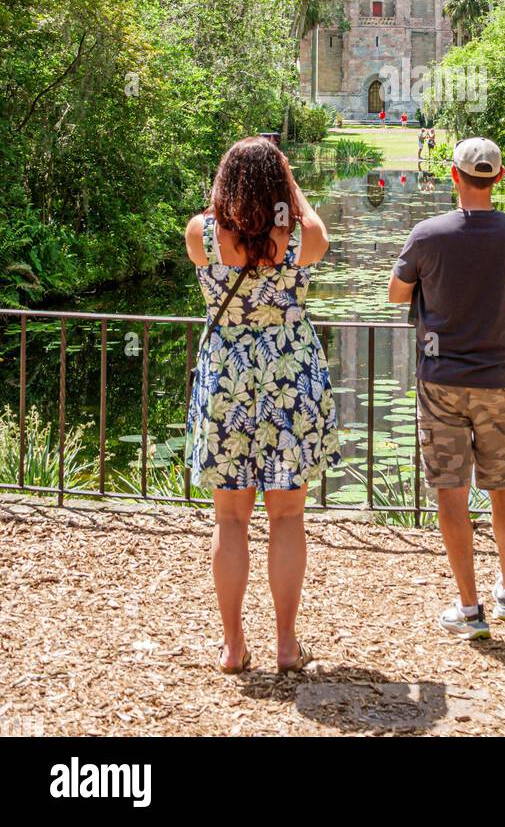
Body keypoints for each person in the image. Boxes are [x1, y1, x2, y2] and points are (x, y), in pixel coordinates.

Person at [185, 136, 340, 674]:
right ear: (280, 187)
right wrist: (290, 188)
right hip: (289, 381)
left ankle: (232, 646)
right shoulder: (300, 237)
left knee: (229, 519)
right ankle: (285, 643)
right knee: (288, 515)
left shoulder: (201, 233)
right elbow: (317, 233)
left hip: (227, 382)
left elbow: (222, 232)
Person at [388, 137, 505, 639]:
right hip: (500, 380)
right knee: (504, 485)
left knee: (451, 494)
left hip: (442, 383)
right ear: (498, 179)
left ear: (453, 177)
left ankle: (470, 608)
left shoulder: (428, 234)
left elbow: (396, 294)